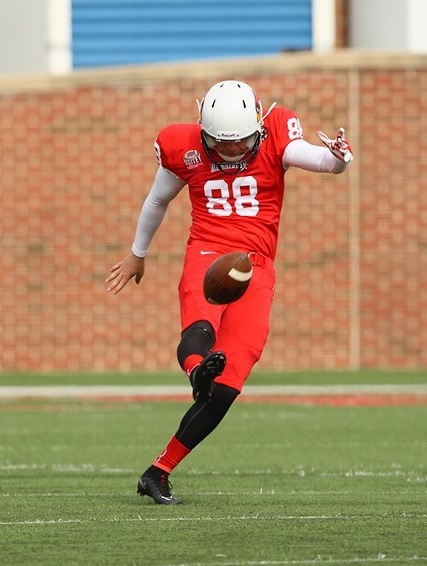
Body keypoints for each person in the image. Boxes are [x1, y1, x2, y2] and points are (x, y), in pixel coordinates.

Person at [105, 80, 354, 504]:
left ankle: (158, 472)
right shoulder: (182, 147)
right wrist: (137, 254)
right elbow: (157, 201)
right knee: (200, 326)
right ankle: (196, 369)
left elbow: (319, 161)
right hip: (208, 251)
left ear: (258, 125)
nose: (233, 152)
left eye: (240, 142)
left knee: (228, 384)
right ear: (204, 131)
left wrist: (336, 158)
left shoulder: (277, 134)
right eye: (223, 144)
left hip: (257, 267)